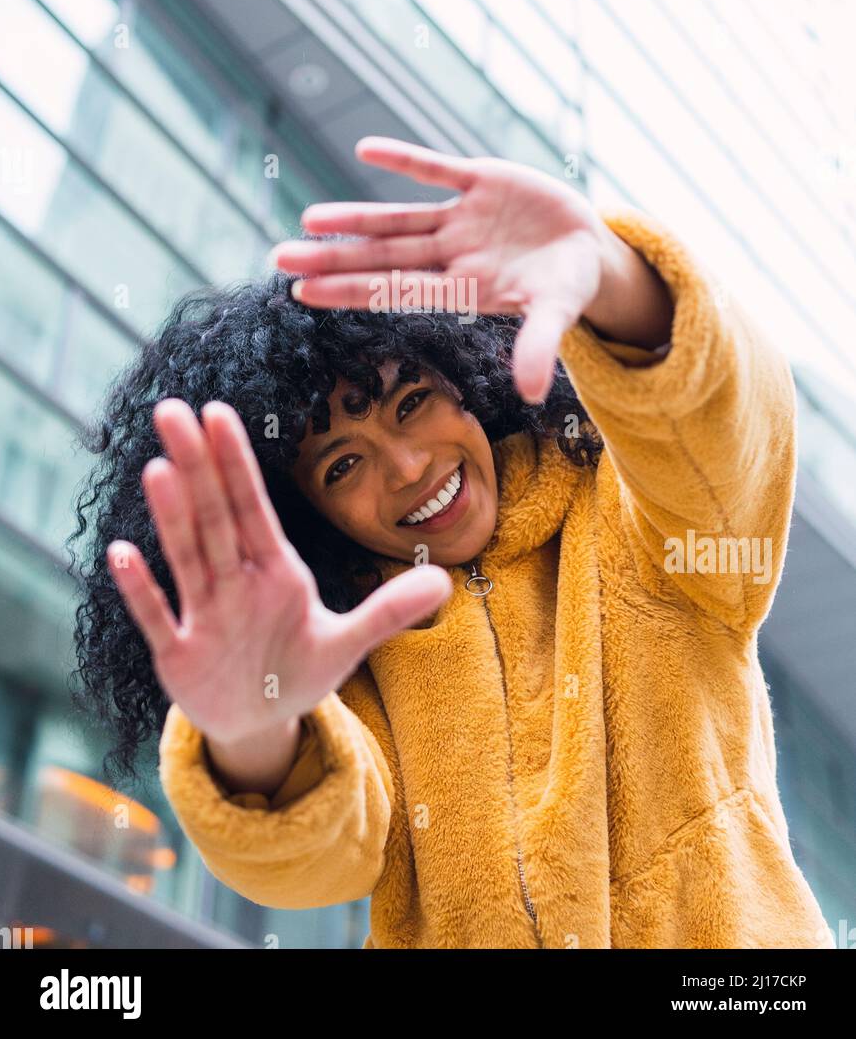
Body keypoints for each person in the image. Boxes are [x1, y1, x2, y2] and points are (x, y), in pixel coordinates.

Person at [69, 137, 835, 949]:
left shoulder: (639, 513)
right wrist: (253, 724)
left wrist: (613, 278)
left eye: (410, 403)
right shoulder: (345, 658)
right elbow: (316, 858)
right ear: (309, 520)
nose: (405, 467)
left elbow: (725, 442)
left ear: (465, 378)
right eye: (342, 465)